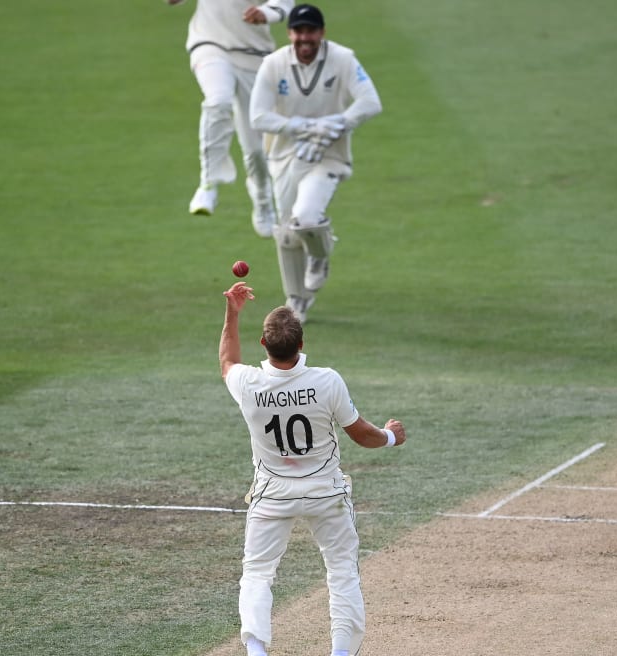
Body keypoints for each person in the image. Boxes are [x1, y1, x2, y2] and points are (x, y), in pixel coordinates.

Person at [219, 280, 406, 656]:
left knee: (257, 573)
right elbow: (363, 435)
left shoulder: (248, 384)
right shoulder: (327, 381)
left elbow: (227, 360)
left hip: (271, 494)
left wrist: (232, 312)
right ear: (301, 345)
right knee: (341, 572)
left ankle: (257, 652)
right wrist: (390, 437)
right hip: (325, 494)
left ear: (264, 345)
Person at [249, 3, 382, 322]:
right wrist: (302, 127)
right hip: (284, 155)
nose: (304, 38)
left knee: (306, 218)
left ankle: (320, 255)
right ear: (289, 33)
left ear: (322, 33)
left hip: (328, 154)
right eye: (299, 31)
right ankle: (297, 298)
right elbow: (257, 116)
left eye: (311, 31)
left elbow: (370, 102)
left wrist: (338, 123)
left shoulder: (343, 58)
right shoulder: (273, 64)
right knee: (285, 233)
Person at [167, 0, 294, 235]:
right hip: (209, 44)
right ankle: (208, 184)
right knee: (218, 100)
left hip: (254, 56)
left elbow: (285, 4)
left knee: (256, 150)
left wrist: (264, 13)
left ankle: (263, 198)